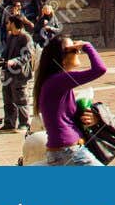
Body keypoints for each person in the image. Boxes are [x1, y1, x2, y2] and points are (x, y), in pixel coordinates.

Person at [32, 35, 106, 165]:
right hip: (68, 152)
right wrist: (86, 45)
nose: (78, 52)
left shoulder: (56, 82)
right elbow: (100, 69)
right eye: (74, 50)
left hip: (64, 151)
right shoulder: (58, 80)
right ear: (62, 57)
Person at [0, 13, 33, 131]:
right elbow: (5, 53)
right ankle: (9, 123)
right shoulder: (10, 37)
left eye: (8, 22)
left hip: (20, 75)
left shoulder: (26, 37)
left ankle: (24, 123)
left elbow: (28, 55)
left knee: (21, 99)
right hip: (8, 74)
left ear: (13, 24)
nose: (6, 25)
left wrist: (14, 61)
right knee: (7, 98)